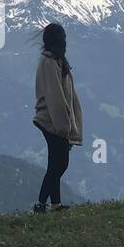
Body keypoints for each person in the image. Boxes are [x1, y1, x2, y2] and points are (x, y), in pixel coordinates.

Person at [32, 22, 82, 212]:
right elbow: (56, 97)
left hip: (53, 120)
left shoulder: (57, 61)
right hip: (51, 120)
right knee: (59, 164)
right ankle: (41, 204)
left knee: (56, 162)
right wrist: (65, 126)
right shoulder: (50, 63)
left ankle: (55, 204)